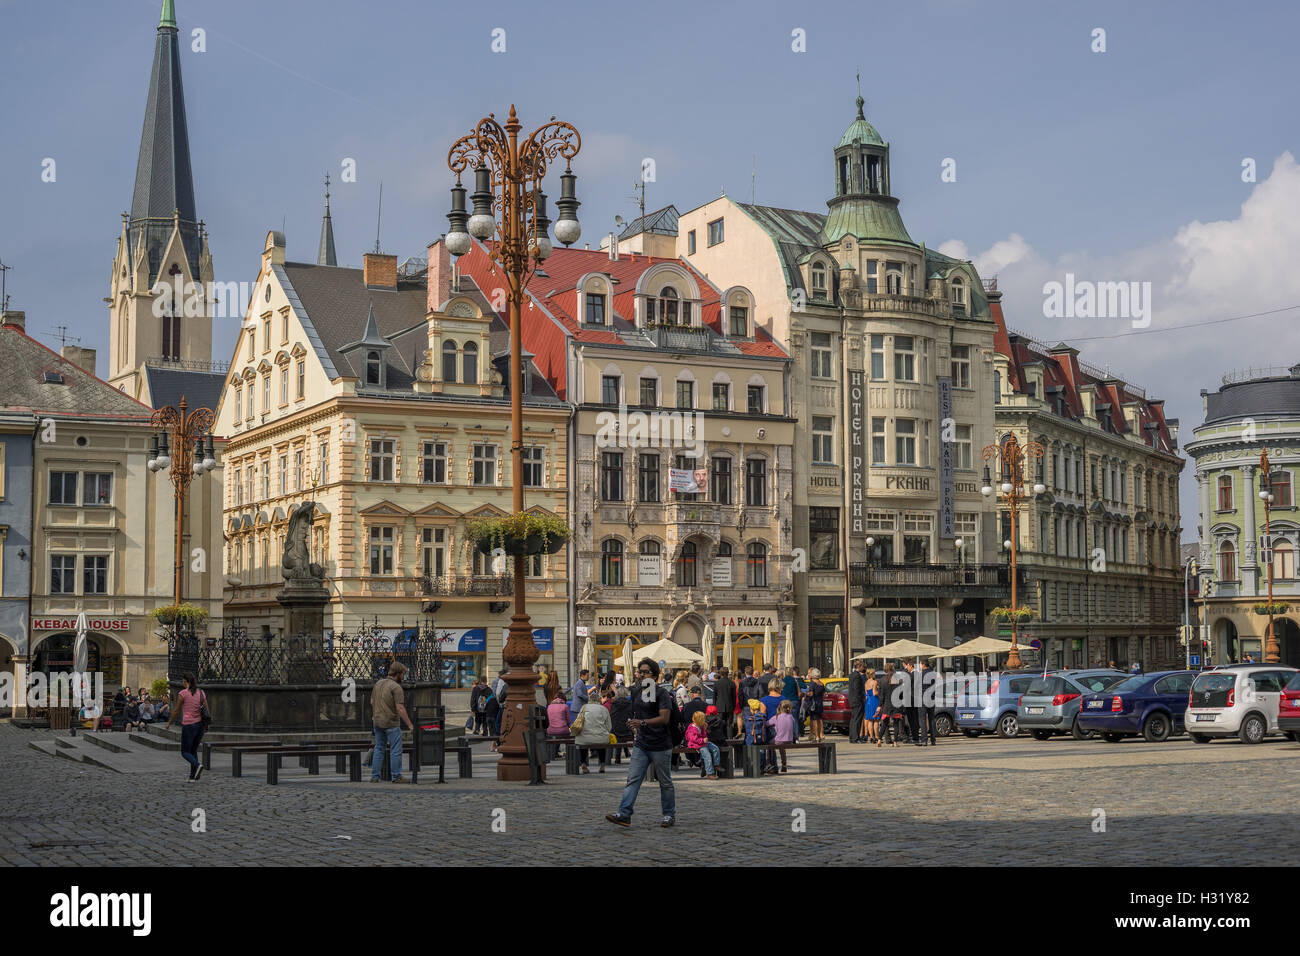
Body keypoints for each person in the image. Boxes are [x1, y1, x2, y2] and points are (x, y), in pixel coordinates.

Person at [606, 658, 676, 828]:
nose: (641, 675)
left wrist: (642, 723)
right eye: (640, 671)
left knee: (664, 781)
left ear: (654, 675)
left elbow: (664, 718)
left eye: (645, 672)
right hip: (642, 743)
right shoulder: (637, 691)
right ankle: (624, 814)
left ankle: (668, 814)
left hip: (660, 743)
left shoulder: (661, 693)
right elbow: (636, 712)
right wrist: (632, 721)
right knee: (633, 779)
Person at [370, 661, 415, 782]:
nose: (403, 677)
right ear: (398, 674)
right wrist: (410, 725)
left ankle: (375, 777)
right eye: (403, 674)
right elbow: (400, 708)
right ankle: (396, 776)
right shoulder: (396, 687)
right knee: (396, 749)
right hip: (391, 723)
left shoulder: (378, 683)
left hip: (378, 722)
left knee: (379, 748)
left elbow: (372, 702)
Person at [164, 673, 207, 781]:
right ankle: (192, 777)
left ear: (185, 681)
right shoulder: (201, 692)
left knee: (185, 752)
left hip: (189, 725)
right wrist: (206, 725)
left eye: (183, 681)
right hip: (200, 725)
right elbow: (207, 709)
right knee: (193, 751)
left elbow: (177, 710)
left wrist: (169, 722)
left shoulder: (183, 693)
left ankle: (197, 765)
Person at [573, 690, 613, 773]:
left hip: (584, 738)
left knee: (583, 742)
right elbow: (609, 727)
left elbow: (578, 721)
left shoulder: (584, 707)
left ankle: (583, 763)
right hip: (600, 737)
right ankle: (602, 765)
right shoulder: (603, 709)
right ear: (599, 700)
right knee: (602, 743)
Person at [685, 711, 721, 779]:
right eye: (703, 720)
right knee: (707, 756)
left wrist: (704, 729)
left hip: (703, 743)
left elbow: (704, 735)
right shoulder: (692, 728)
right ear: (699, 720)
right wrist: (702, 740)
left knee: (715, 748)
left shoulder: (700, 726)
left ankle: (716, 764)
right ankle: (710, 773)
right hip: (696, 744)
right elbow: (692, 739)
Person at [766, 700, 797, 773]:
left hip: (778, 741)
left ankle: (769, 763)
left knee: (769, 745)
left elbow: (767, 724)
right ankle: (784, 765)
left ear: (779, 708)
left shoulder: (776, 717)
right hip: (789, 740)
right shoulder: (791, 717)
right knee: (782, 748)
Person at [742, 698, 771, 773]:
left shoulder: (749, 719)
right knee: (762, 751)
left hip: (751, 740)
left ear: (752, 709)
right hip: (762, 739)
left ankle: (751, 768)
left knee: (748, 748)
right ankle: (761, 768)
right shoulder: (763, 717)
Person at [609, 684, 634, 764]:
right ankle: (624, 753)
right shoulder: (630, 704)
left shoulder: (614, 704)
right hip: (627, 730)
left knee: (618, 734)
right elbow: (631, 716)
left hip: (615, 730)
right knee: (624, 730)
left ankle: (617, 757)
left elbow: (612, 716)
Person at [881, 662, 904, 747]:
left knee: (885, 722)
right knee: (896, 723)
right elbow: (901, 693)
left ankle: (885, 738)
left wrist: (880, 704)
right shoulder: (897, 679)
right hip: (896, 703)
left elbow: (881, 694)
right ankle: (895, 741)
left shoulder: (882, 680)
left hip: (886, 704)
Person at [713, 666, 737, 740]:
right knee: (729, 724)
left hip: (720, 706)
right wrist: (733, 706)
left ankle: (721, 738)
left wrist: (715, 706)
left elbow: (714, 696)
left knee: (720, 724)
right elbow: (734, 697)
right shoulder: (732, 683)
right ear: (727, 673)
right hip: (729, 706)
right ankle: (729, 739)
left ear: (720, 673)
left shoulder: (717, 683)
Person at [546, 692, 570, 762]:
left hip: (551, 730)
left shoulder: (549, 706)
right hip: (563, 730)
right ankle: (569, 753)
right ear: (564, 699)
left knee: (556, 735)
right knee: (566, 734)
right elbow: (568, 720)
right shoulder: (565, 706)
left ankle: (554, 753)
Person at [847, 660, 866, 743]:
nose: (863, 668)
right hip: (857, 700)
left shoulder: (852, 675)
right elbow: (857, 689)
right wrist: (861, 698)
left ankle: (852, 736)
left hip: (853, 699)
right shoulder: (857, 676)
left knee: (853, 719)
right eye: (862, 666)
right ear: (858, 667)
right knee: (857, 719)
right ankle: (856, 737)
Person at [804, 669, 826, 741]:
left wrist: (806, 694)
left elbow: (811, 694)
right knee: (819, 720)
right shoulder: (821, 684)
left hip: (813, 704)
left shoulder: (812, 683)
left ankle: (816, 736)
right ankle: (820, 735)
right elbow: (824, 694)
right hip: (820, 703)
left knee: (814, 720)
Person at [781, 667, 802, 740]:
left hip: (785, 702)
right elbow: (799, 692)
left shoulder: (782, 681)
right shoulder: (795, 680)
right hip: (794, 701)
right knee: (795, 720)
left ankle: (786, 737)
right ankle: (796, 738)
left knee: (784, 720)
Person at [863, 668, 881, 745]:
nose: (875, 675)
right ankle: (877, 737)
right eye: (874, 673)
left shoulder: (866, 683)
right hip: (874, 701)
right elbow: (874, 693)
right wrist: (880, 692)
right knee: (876, 720)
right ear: (872, 674)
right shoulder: (874, 682)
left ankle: (871, 737)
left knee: (870, 720)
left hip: (868, 702)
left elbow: (866, 694)